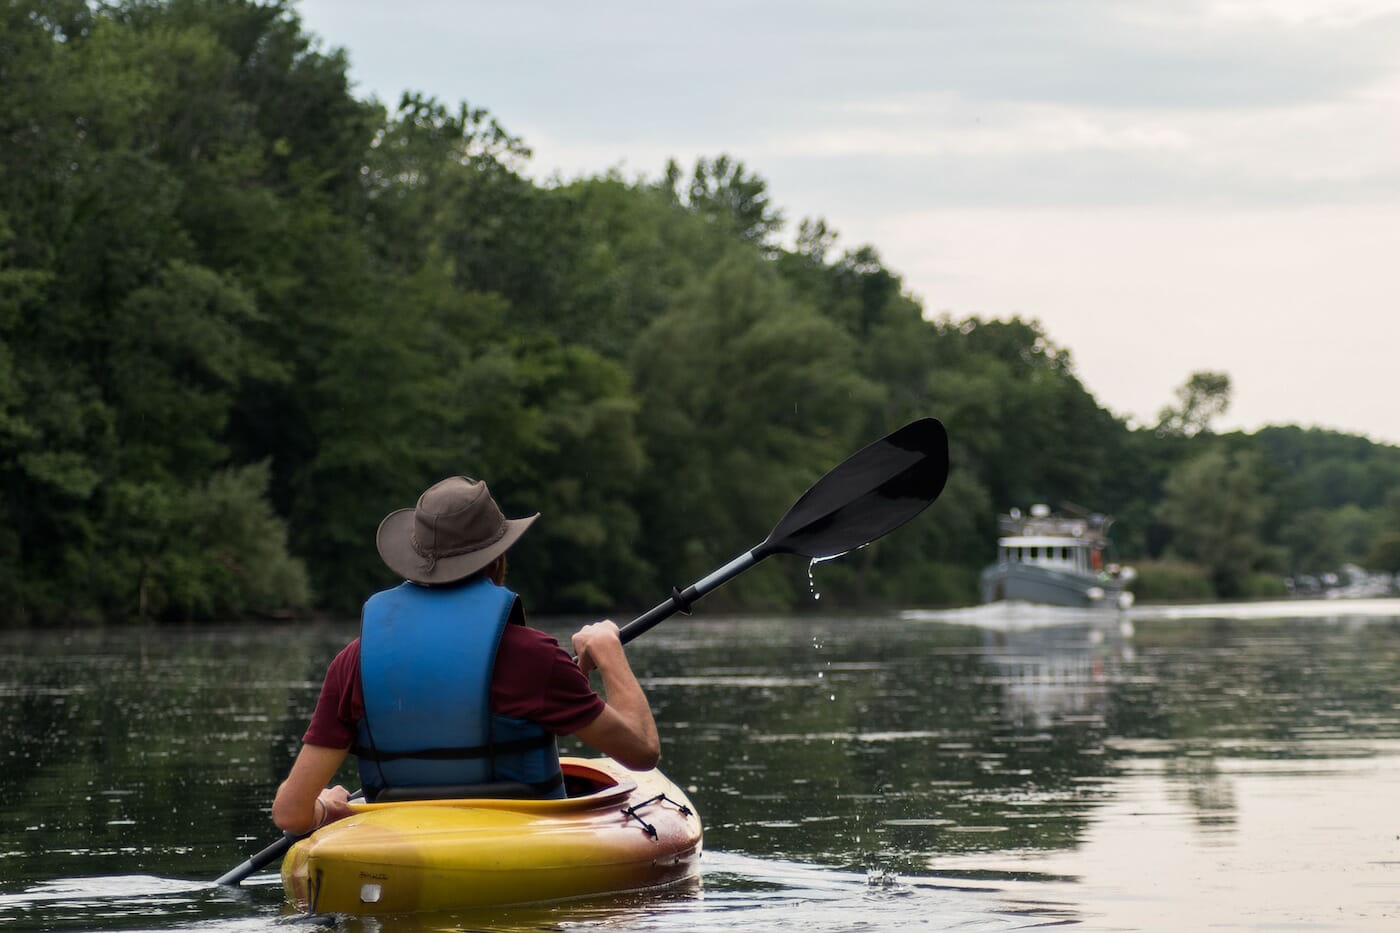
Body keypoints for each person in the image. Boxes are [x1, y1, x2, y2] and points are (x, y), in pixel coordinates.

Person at [271, 475, 659, 835]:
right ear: (497, 561)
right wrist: (608, 652)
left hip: (400, 855)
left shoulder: (353, 663)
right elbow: (642, 752)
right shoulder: (535, 657)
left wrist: (327, 809)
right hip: (522, 850)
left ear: (415, 561)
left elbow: (290, 814)